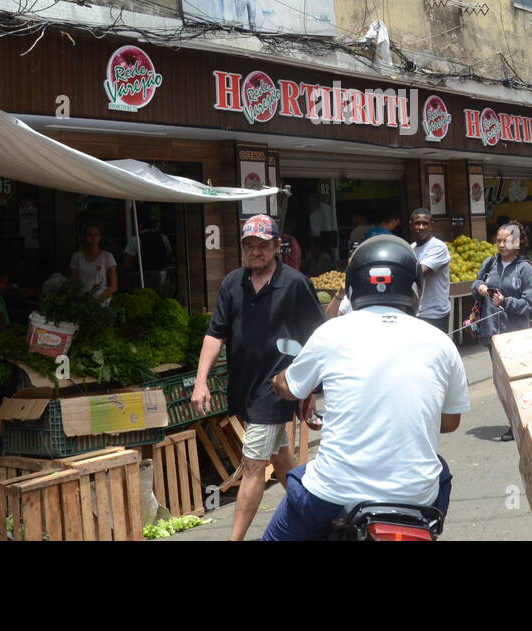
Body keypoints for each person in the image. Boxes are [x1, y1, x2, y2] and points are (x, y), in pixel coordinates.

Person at [262, 235, 470, 541]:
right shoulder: (441, 342)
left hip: (332, 493)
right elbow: (450, 422)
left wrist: (278, 381)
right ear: (414, 286)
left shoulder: (330, 332)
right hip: (415, 498)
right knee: (440, 472)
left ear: (352, 285)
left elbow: (289, 387)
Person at [191, 215, 324, 541]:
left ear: (277, 246)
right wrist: (200, 381)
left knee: (253, 466)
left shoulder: (294, 283)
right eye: (249, 245)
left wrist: (308, 390)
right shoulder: (232, 283)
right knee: (281, 460)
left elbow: (318, 338)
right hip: (244, 387)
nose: (255, 252)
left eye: (262, 246)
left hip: (276, 388)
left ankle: (234, 538)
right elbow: (215, 334)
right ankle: (318, 517)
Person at [471, 223, 532, 441]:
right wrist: (480, 287)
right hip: (492, 333)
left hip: (515, 334)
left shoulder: (525, 269)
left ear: (517, 242)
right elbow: (475, 284)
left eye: (506, 241)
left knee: (517, 381)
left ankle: (528, 422)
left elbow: (529, 304)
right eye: (498, 240)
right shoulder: (490, 263)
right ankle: (514, 423)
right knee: (500, 382)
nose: (501, 245)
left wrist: (506, 301)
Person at [409, 209, 452, 334]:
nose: (421, 227)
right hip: (417, 312)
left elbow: (419, 273)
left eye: (425, 223)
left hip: (434, 314)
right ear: (411, 224)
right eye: (417, 223)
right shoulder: (411, 248)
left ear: (431, 225)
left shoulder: (438, 247)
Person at [69, 222, 118, 302]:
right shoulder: (76, 257)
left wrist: (97, 301)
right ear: (84, 237)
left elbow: (113, 286)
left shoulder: (108, 256)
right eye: (89, 235)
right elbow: (73, 284)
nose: (93, 238)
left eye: (96, 234)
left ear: (100, 237)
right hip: (81, 302)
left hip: (102, 302)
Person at [123, 221, 173, 293]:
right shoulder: (164, 238)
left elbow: (127, 265)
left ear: (139, 226)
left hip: (141, 281)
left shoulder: (135, 240)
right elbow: (169, 260)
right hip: (161, 280)